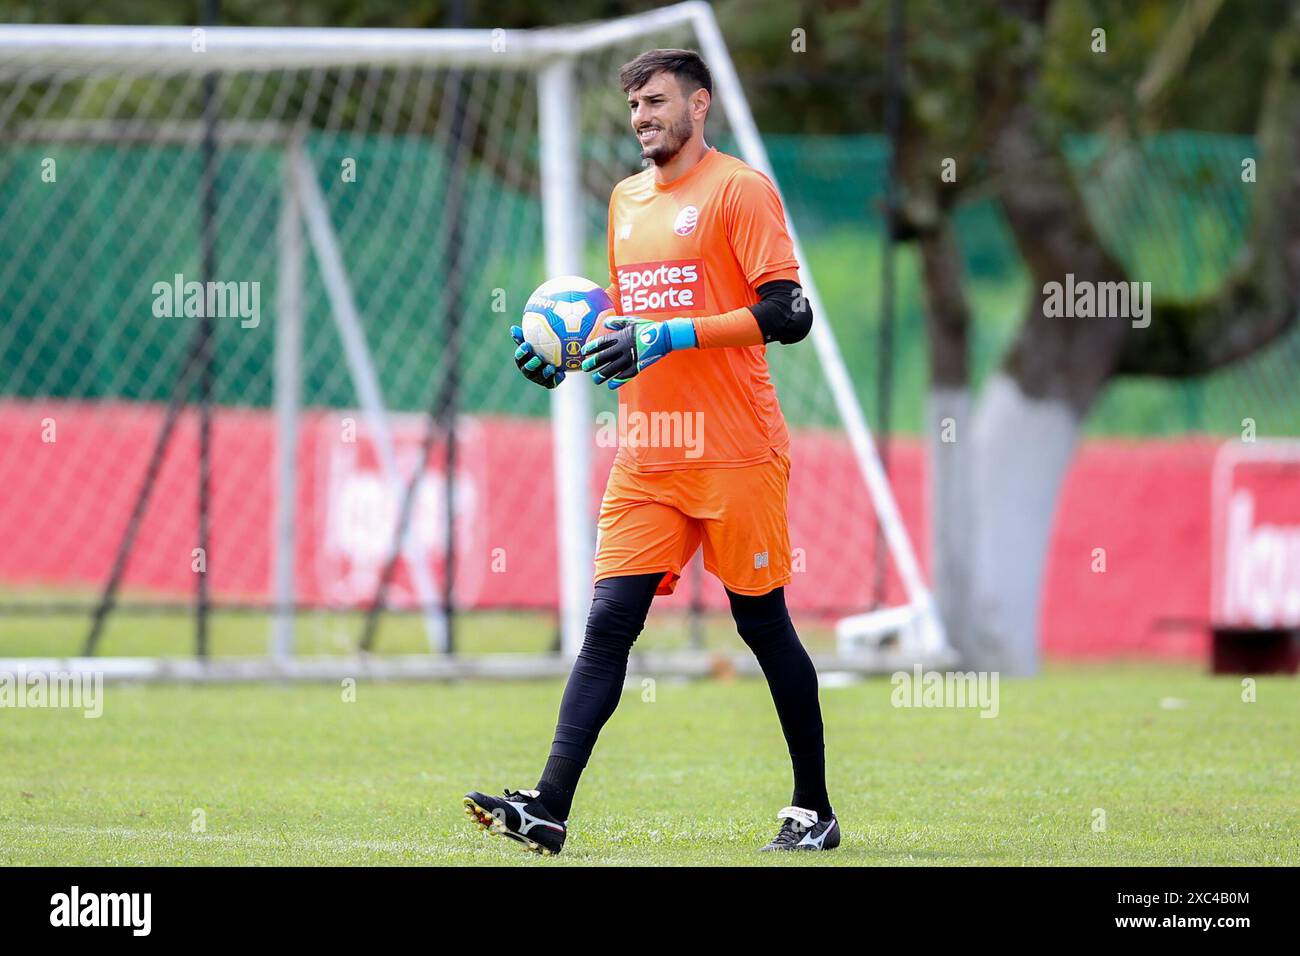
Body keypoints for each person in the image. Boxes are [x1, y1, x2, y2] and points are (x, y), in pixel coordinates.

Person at [464, 48, 837, 855]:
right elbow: (622, 326)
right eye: (634, 105)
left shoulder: (739, 190)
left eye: (657, 101)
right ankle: (549, 806)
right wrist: (560, 359)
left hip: (736, 450)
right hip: (649, 454)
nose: (642, 118)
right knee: (607, 625)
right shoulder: (625, 200)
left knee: (762, 625)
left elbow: (789, 312)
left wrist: (673, 335)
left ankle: (814, 808)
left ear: (699, 105)